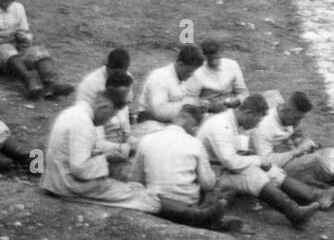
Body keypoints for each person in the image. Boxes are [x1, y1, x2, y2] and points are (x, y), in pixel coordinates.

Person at [42, 87, 225, 227]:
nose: (107, 121)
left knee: (135, 188)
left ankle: (195, 213)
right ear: (104, 106)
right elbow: (80, 168)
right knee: (141, 196)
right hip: (68, 185)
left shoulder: (74, 113)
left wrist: (104, 155)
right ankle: (196, 217)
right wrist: (106, 159)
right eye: (110, 115)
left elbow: (76, 155)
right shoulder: (82, 123)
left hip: (58, 178)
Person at [198, 94, 334, 229]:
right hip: (209, 174)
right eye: (257, 120)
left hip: (220, 167)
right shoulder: (222, 126)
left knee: (269, 169)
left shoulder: (236, 122)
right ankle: (295, 213)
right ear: (248, 112)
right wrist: (258, 161)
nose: (256, 125)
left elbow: (239, 154)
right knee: (255, 176)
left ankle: (316, 196)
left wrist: (258, 162)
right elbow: (231, 162)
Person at [135, 44, 206, 135]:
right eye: (189, 71)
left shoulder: (181, 75)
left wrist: (198, 106)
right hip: (150, 121)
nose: (191, 75)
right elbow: (158, 111)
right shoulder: (160, 76)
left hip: (171, 120)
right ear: (180, 64)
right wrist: (188, 104)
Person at [76, 48, 133, 146]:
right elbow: (88, 121)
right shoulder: (91, 84)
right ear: (108, 67)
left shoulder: (126, 79)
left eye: (124, 71)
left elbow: (126, 108)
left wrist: (128, 136)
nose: (120, 75)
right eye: (117, 72)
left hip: (118, 128)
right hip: (96, 127)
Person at [186, 39, 249, 110]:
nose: (214, 62)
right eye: (210, 59)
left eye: (216, 58)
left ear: (221, 53)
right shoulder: (197, 73)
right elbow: (190, 100)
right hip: (208, 110)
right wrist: (207, 106)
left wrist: (238, 100)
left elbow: (243, 92)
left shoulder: (232, 65)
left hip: (232, 107)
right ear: (204, 56)